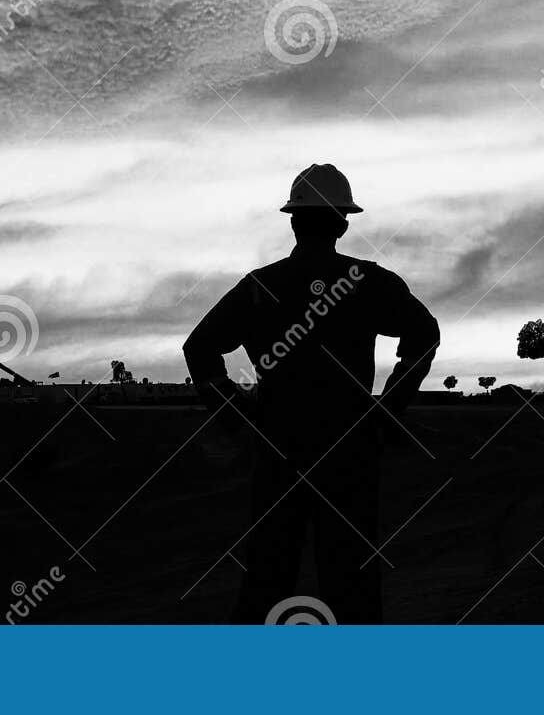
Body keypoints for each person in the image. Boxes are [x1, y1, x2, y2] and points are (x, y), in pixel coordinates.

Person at [183, 163, 440, 624]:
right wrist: (388, 410)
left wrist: (237, 418)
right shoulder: (369, 283)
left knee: (266, 578)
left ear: (293, 221)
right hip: (350, 453)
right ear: (343, 223)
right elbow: (424, 334)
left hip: (279, 450)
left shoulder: (261, 287)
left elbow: (199, 348)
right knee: (352, 584)